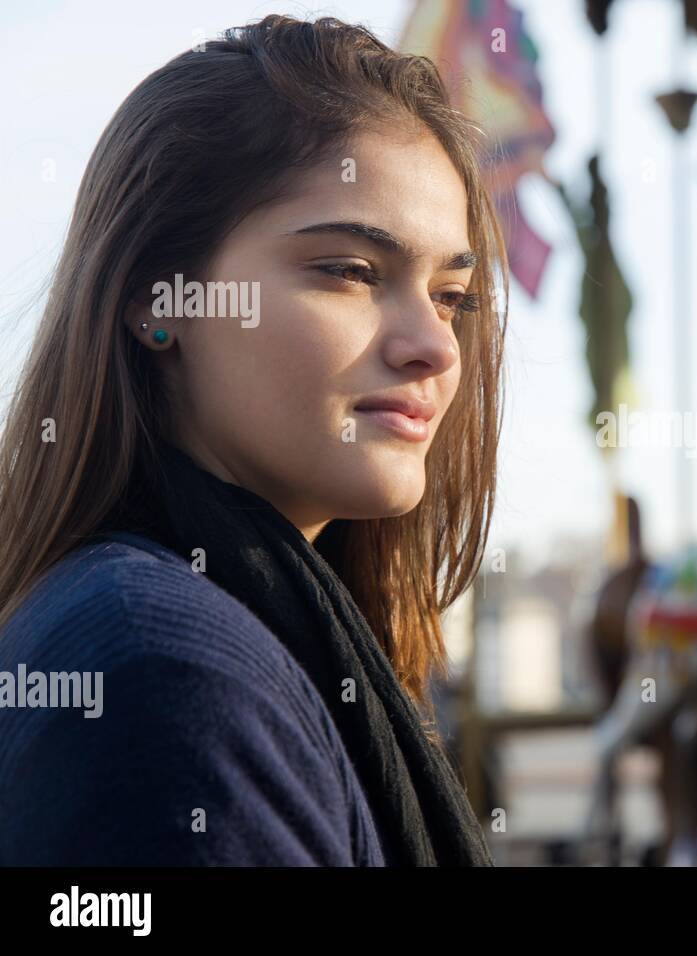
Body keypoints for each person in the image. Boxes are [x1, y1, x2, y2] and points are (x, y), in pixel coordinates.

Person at [0, 15, 504, 866]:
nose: (437, 345)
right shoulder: (165, 678)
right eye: (349, 271)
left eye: (451, 295)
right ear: (157, 300)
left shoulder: (213, 635)